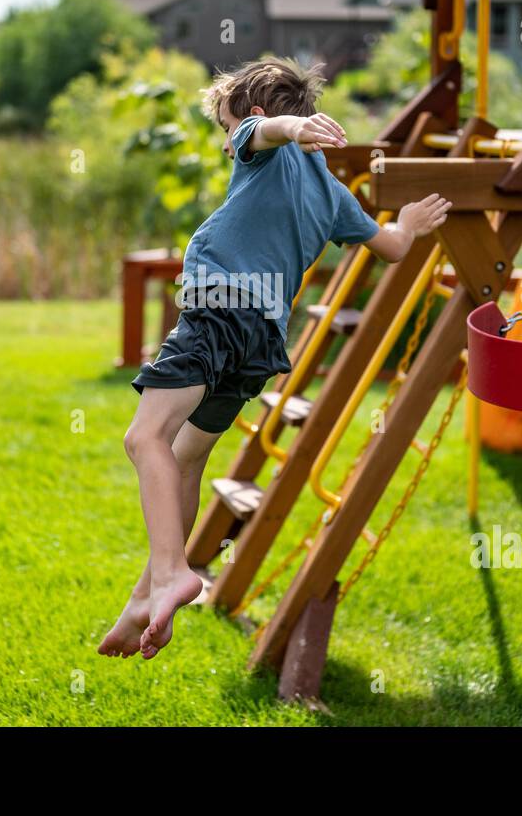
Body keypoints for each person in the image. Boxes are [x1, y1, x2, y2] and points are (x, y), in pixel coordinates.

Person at [99, 57, 451, 659]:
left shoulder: (263, 144)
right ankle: (146, 596)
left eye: (230, 130)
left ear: (253, 116)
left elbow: (262, 133)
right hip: (261, 339)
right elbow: (390, 247)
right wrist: (411, 224)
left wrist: (289, 129)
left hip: (217, 310)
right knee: (186, 457)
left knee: (144, 439)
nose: (231, 144)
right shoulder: (334, 193)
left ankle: (169, 575)